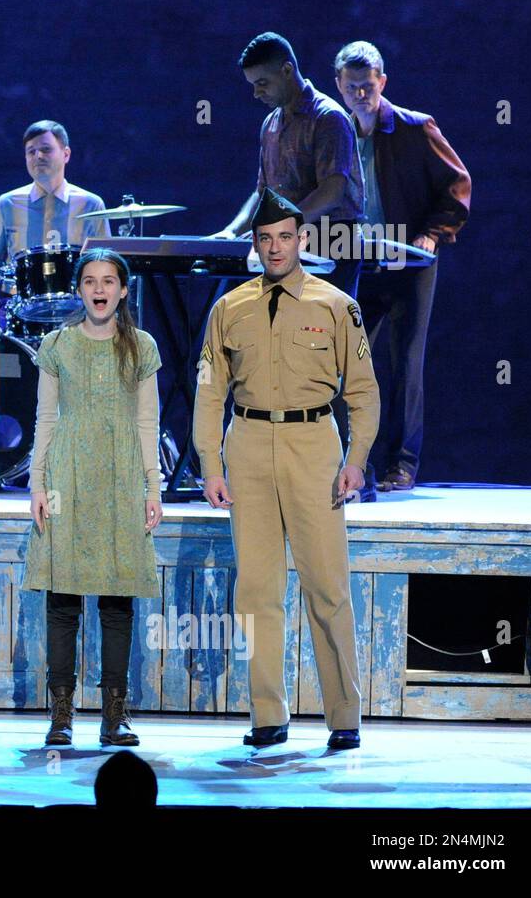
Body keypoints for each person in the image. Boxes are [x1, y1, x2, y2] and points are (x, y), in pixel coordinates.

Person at [193, 189, 378, 751]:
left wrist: (357, 459)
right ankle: (267, 716)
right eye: (265, 239)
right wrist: (209, 463)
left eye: (285, 237)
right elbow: (208, 393)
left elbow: (364, 390)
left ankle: (344, 716)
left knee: (327, 586)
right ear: (255, 243)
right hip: (247, 443)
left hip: (313, 443)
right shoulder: (229, 307)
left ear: (302, 239)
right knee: (256, 590)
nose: (276, 248)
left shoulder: (335, 305)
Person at [213, 31, 370, 499]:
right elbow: (262, 193)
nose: (256, 93)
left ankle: (352, 475)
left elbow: (334, 189)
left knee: (327, 358)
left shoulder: (329, 117)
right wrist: (233, 231)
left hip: (330, 245)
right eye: (251, 86)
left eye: (262, 83)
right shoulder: (272, 125)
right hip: (287, 248)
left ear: (287, 70)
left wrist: (285, 226)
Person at [25, 248, 163, 747]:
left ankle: (114, 714)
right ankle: (61, 713)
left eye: (109, 281)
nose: (99, 289)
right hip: (69, 473)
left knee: (117, 598)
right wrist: (38, 484)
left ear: (123, 289)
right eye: (89, 281)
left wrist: (154, 485)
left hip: (121, 474)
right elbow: (45, 418)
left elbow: (148, 421)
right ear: (78, 289)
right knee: (63, 598)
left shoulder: (141, 346)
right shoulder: (57, 344)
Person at [333, 40, 471, 492]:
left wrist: (431, 233)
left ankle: (403, 464)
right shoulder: (338, 134)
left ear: (383, 83)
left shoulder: (415, 127)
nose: (360, 95)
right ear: (338, 85)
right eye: (351, 87)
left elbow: (457, 184)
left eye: (367, 87)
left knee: (406, 363)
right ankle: (358, 462)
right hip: (362, 261)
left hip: (410, 265)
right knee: (351, 361)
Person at [0, 120, 107, 266]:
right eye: (31, 151)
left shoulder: (91, 205)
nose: (38, 156)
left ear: (66, 154)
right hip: (18, 290)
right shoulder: (7, 204)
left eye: (46, 149)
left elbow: (106, 265)